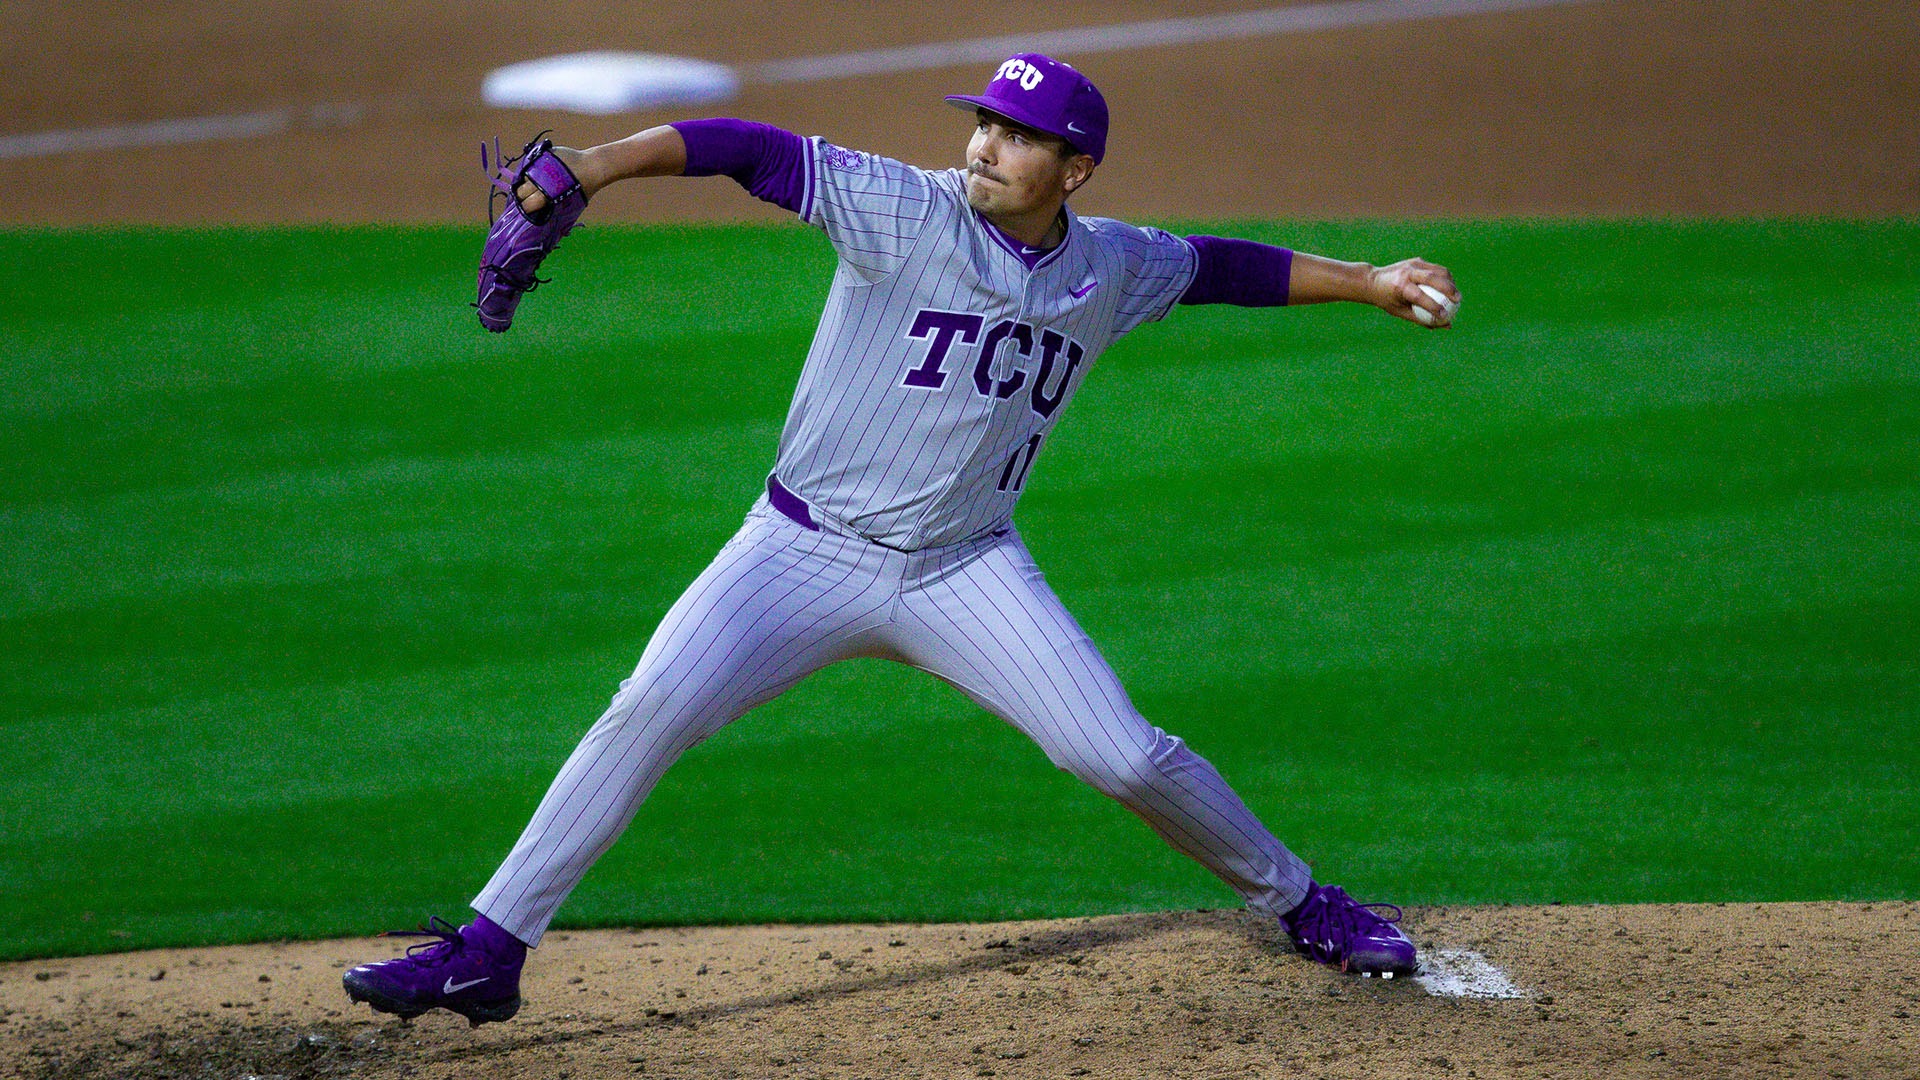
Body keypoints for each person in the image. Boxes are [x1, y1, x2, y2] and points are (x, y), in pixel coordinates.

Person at [346, 52, 1460, 1027]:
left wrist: (1367, 282)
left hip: (965, 567)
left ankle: (1302, 901)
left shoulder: (1106, 265)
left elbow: (1222, 268)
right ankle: (488, 955)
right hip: (796, 552)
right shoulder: (901, 207)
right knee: (647, 707)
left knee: (1116, 752)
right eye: (984, 121)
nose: (987, 142)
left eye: (1022, 135)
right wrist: (590, 167)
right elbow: (746, 148)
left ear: (1075, 170)